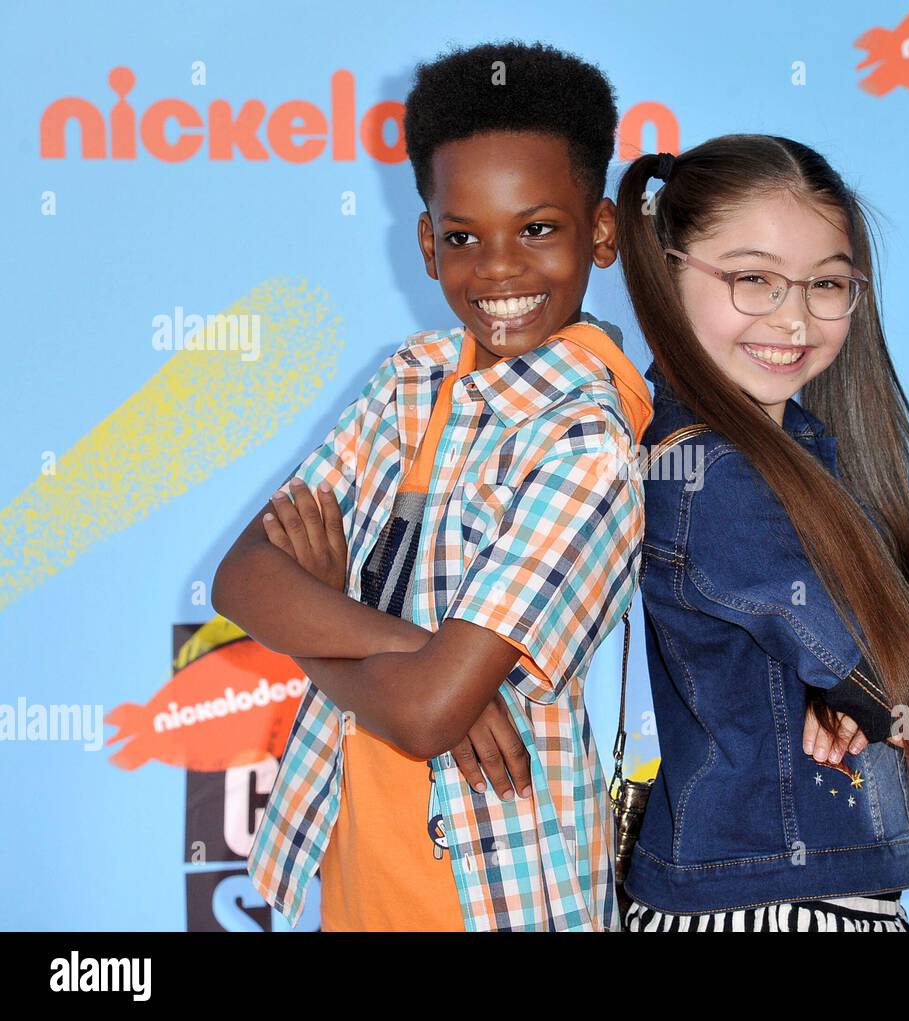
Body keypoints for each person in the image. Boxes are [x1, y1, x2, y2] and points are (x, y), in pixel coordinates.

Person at [212, 41, 652, 931]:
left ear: (600, 234)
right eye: (463, 236)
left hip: (503, 901)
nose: (497, 270)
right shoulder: (413, 378)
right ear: (427, 242)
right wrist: (414, 650)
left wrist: (317, 617)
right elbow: (242, 579)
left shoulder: (588, 441)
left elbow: (423, 715)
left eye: (537, 228)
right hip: (358, 885)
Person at [612, 135, 909, 931]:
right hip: (771, 903)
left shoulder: (805, 448)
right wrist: (889, 659)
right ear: (667, 268)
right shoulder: (710, 472)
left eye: (826, 284)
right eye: (753, 279)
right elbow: (896, 657)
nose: (793, 317)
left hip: (794, 892)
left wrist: (897, 647)